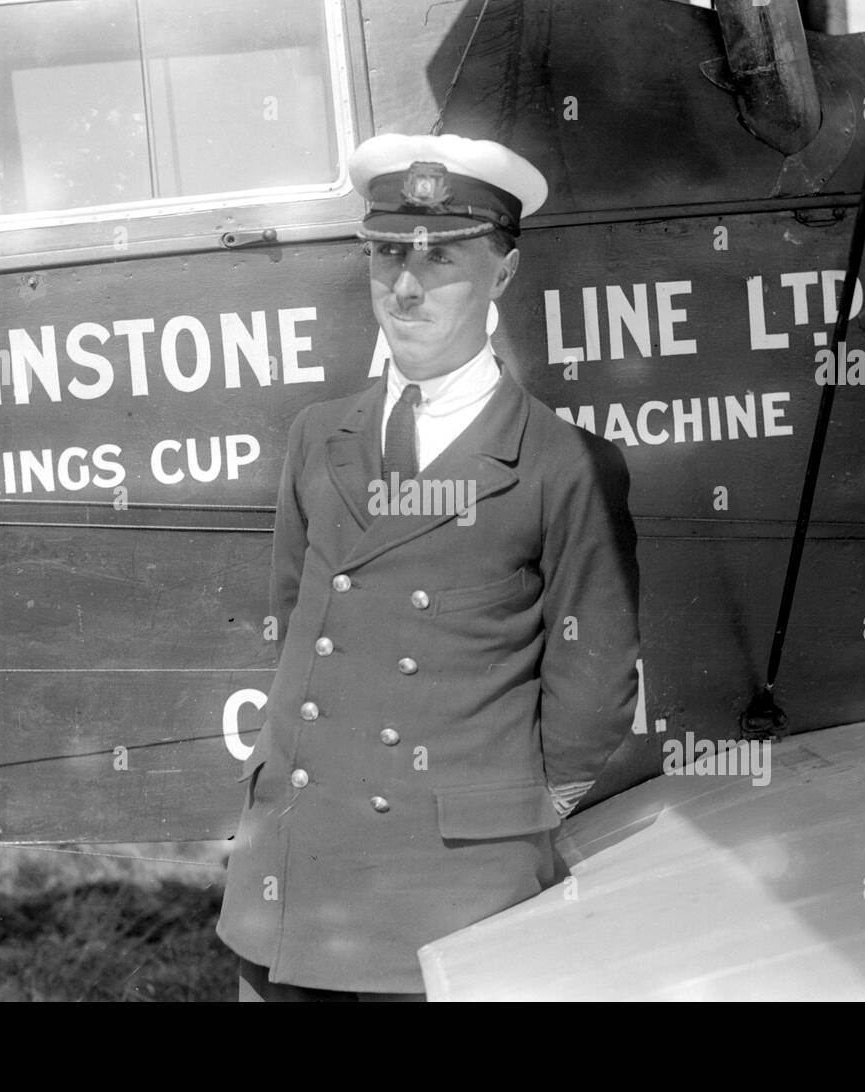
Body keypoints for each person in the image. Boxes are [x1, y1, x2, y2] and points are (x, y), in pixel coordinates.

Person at [215, 132, 641, 1001]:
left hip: (454, 885)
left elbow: (594, 687)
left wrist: (513, 817)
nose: (404, 288)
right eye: (384, 257)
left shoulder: (562, 464)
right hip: (295, 861)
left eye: (441, 259)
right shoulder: (318, 435)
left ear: (506, 273)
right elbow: (298, 613)